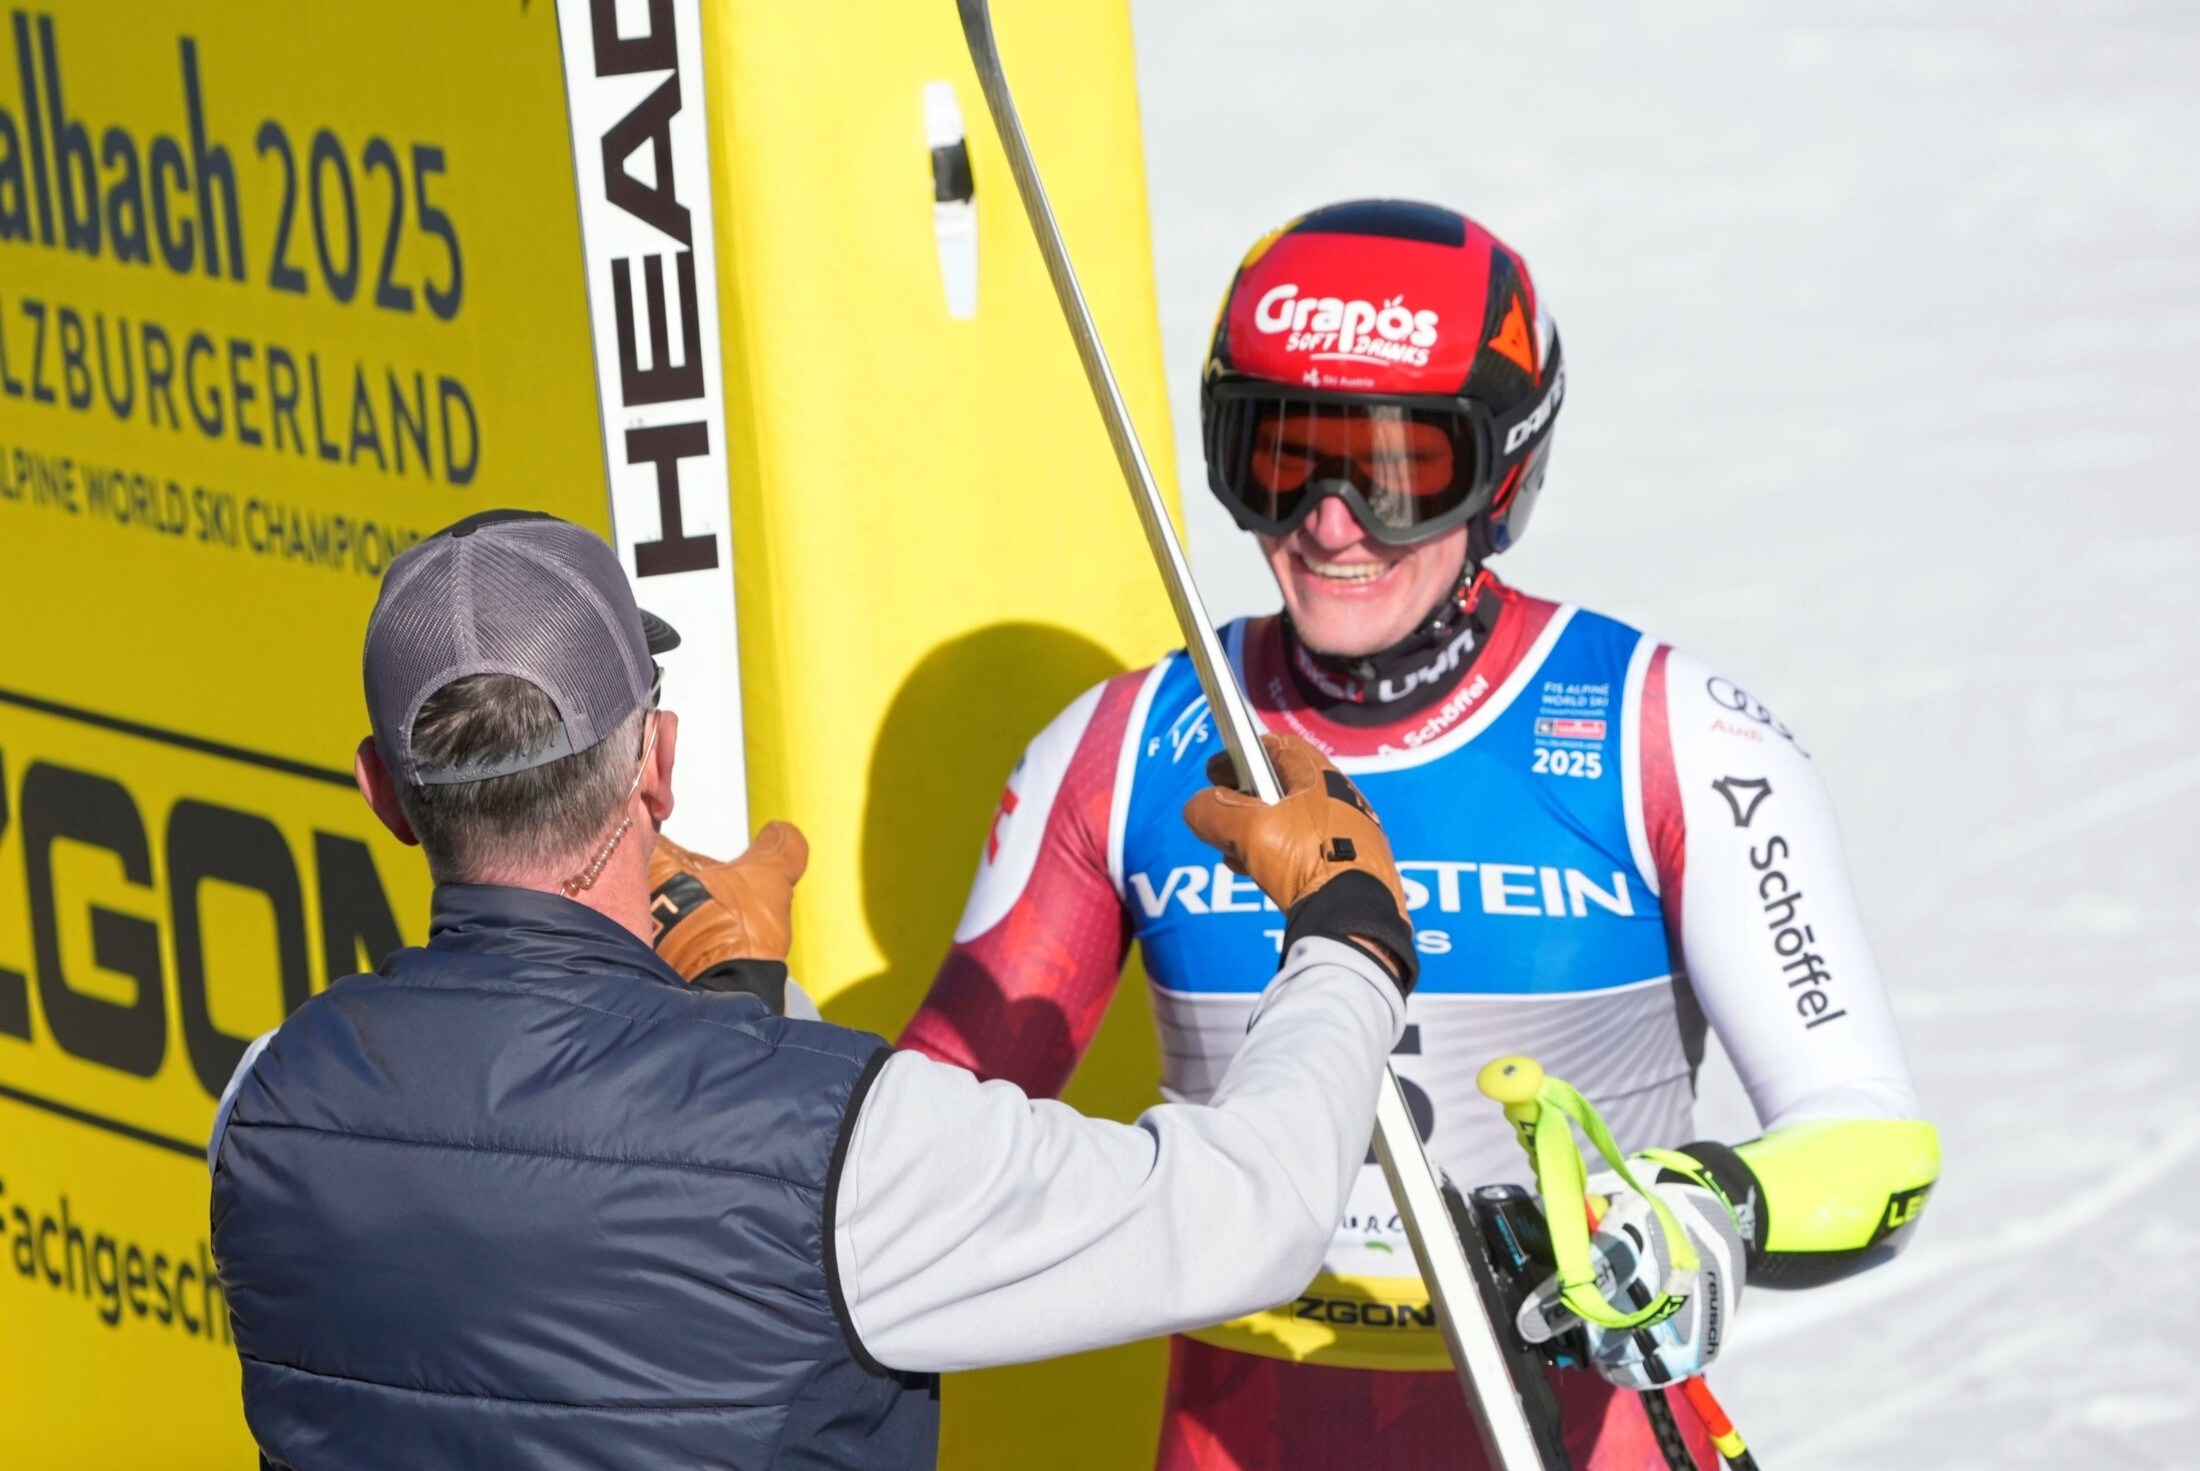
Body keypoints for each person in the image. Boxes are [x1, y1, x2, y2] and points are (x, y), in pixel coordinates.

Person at [901, 200, 1942, 1470]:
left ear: (1504, 470)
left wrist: (1702, 1214)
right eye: (1283, 455)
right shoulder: (1120, 747)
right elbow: (932, 1152)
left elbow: (1872, 1140)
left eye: (1398, 468)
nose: (1333, 522)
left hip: (1568, 1420)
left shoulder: (1671, 733)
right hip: (1240, 1426)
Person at [207, 509, 1424, 1470]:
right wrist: (1347, 929)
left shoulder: (264, 1103)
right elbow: (1243, 1217)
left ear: (382, 792)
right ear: (659, 760)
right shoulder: (844, 1150)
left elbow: (540, 1290)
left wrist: (737, 1017)